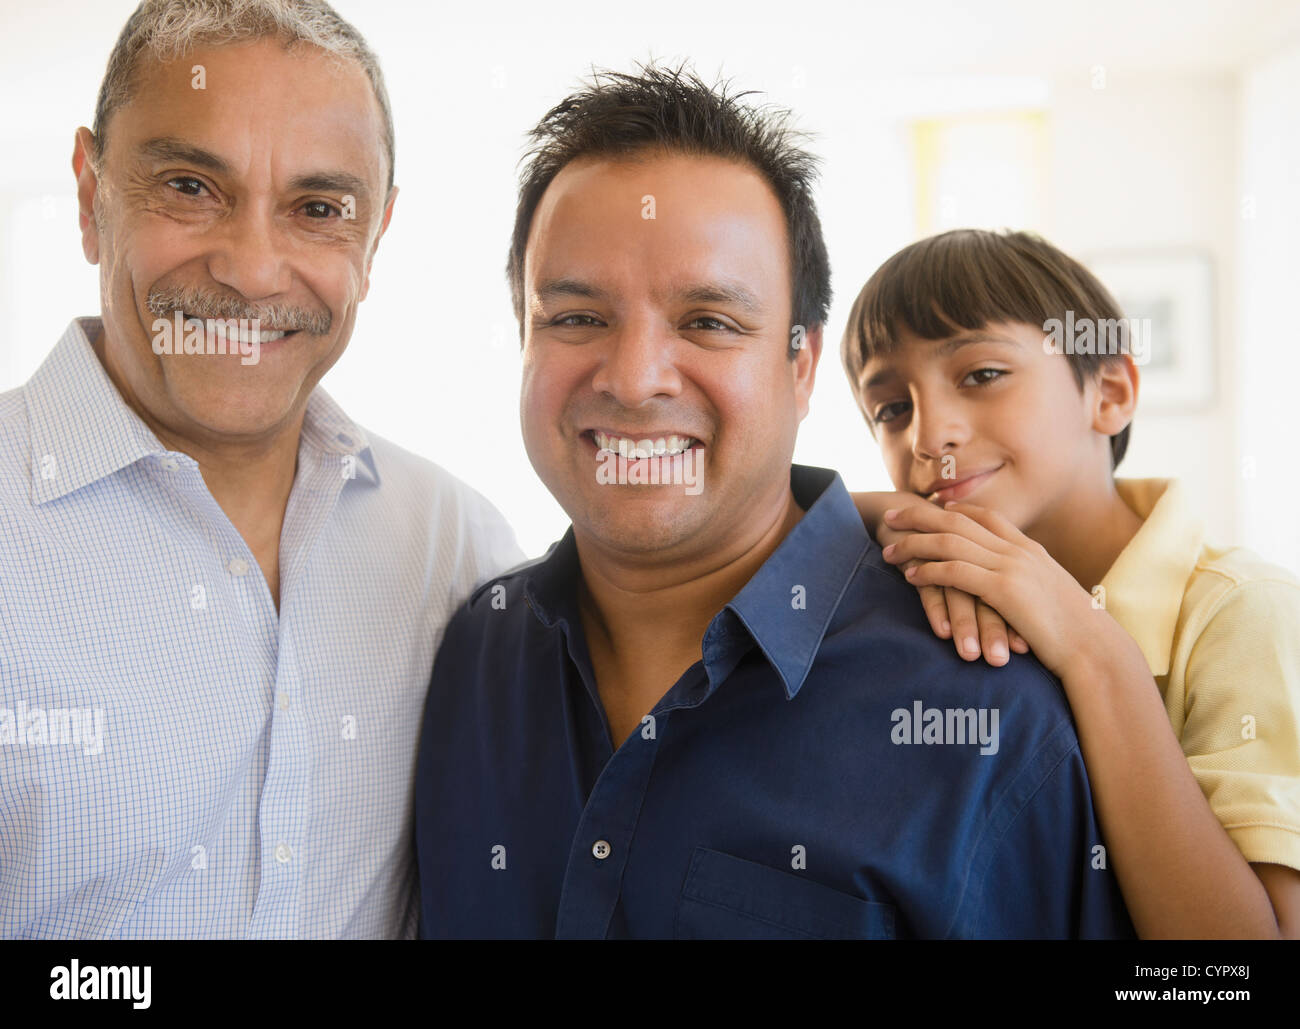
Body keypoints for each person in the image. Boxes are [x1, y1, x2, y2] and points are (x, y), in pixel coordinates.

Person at [414, 65, 1134, 939]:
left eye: (709, 320)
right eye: (575, 318)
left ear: (800, 366)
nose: (636, 379)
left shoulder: (990, 714)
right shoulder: (465, 657)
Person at [0, 0, 522, 938]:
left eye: (318, 209)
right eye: (191, 186)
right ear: (91, 195)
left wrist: (833, 548)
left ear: (373, 243)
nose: (251, 268)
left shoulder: (456, 545)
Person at [842, 228, 1300, 937]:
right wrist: (890, 516)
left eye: (981, 374)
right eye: (891, 408)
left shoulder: (1240, 610)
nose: (930, 435)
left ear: (1109, 393)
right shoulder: (928, 588)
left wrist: (1094, 648)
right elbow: (768, 506)